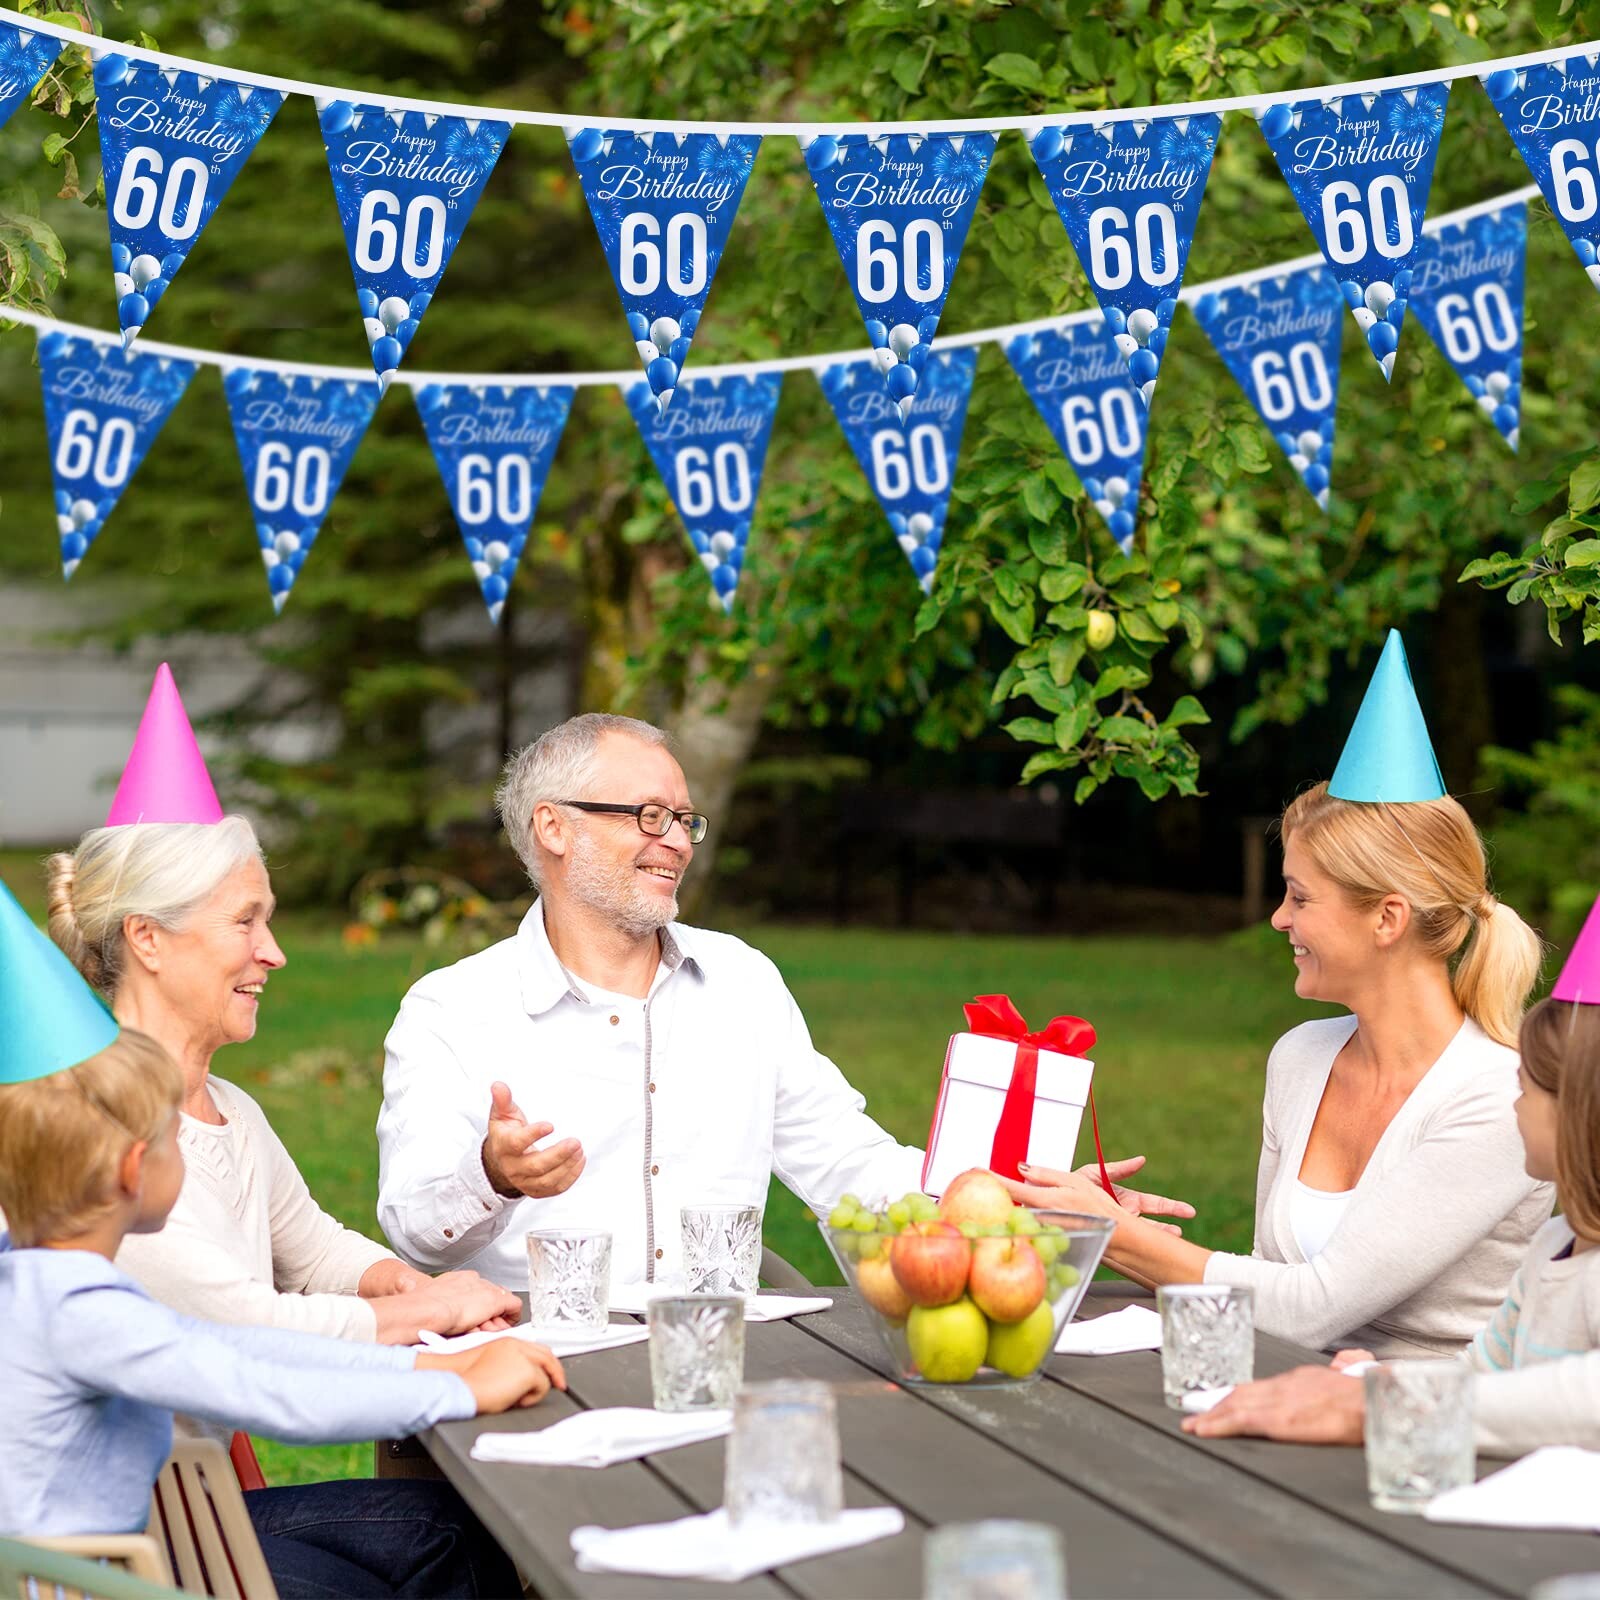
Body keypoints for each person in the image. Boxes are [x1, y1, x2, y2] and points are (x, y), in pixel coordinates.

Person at [377, 712, 1187, 1291]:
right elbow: (414, 1228)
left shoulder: (741, 982)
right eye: (649, 816)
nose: (681, 840)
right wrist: (496, 1174)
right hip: (538, 1367)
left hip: (726, 1358)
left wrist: (1023, 1200)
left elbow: (849, 1167)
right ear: (553, 828)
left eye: (685, 818)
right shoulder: (454, 1009)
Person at [0, 879, 558, 1598]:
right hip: (88, 1584)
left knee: (443, 1528)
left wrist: (433, 1374)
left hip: (118, 1554)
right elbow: (262, 1386)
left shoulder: (43, 1284)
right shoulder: (79, 1311)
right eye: (176, 1132)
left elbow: (241, 1350)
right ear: (136, 1169)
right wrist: (452, 1387)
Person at [998, 634, 1553, 1356]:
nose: (1278, 919)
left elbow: (1314, 1308)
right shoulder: (1301, 1059)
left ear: (1387, 918)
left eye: (1298, 897)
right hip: (1290, 1409)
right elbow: (1271, 1288)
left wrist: (1118, 1237)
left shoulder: (1497, 1100)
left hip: (1437, 1443)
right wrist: (1114, 1228)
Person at [47, 664, 515, 1351]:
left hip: (214, 1461)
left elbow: (314, 1253)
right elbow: (239, 1322)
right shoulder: (90, 1124)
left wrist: (407, 1284)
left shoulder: (233, 1113)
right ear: (147, 937)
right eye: (245, 922)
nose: (274, 953)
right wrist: (427, 1314)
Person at [1184, 933, 1600, 1458]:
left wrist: (1373, 1404)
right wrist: (1374, 1380)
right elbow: (1480, 1372)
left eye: (1529, 1088)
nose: (1512, 1104)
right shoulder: (1553, 1247)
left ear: (1582, 1112)